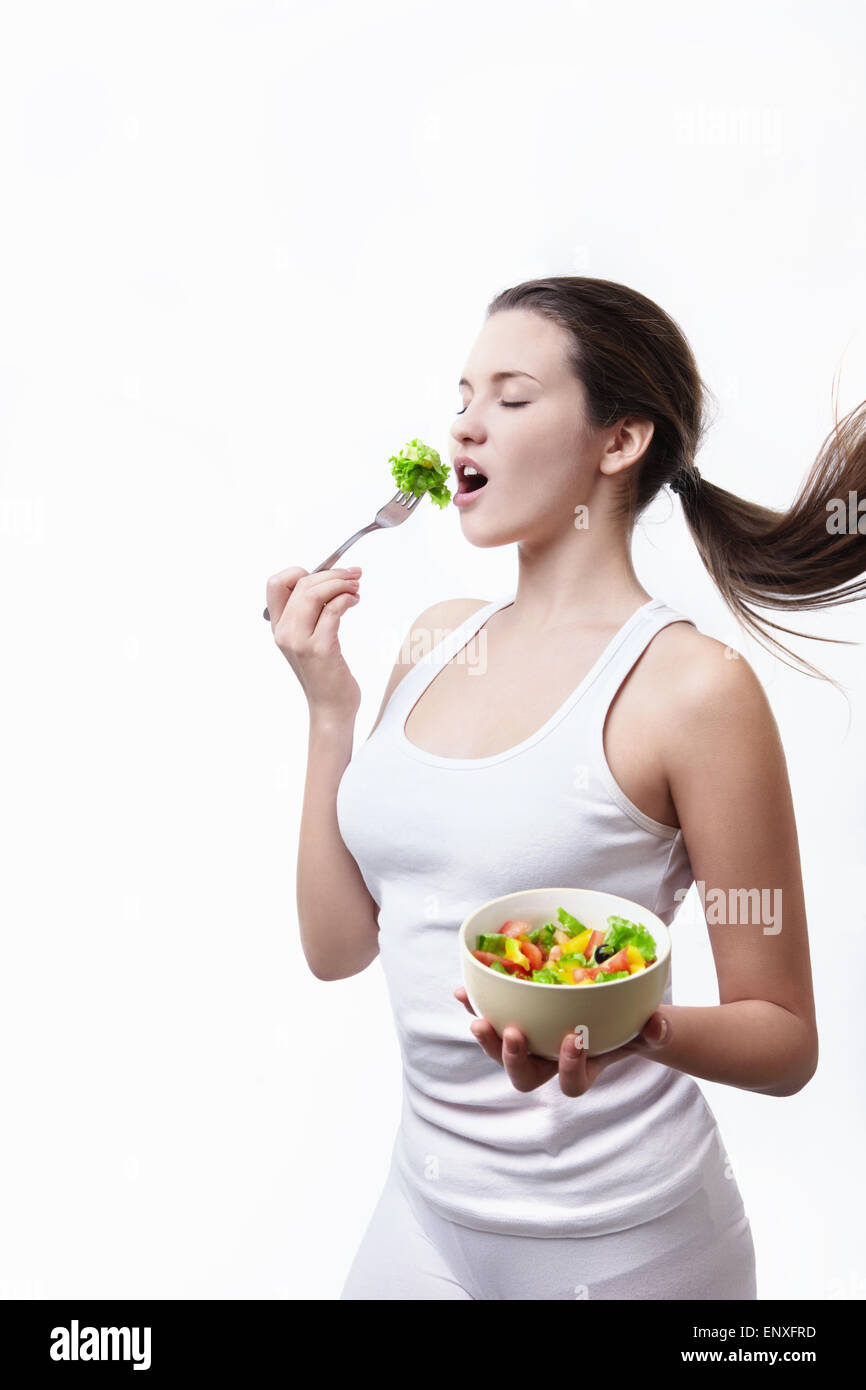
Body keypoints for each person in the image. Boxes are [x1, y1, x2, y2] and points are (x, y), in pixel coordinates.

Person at [265, 276, 864, 1300]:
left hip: (629, 1248)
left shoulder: (690, 689)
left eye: (509, 396)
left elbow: (782, 1034)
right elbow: (338, 947)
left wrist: (632, 1023)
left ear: (617, 442)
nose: (464, 426)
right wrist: (328, 708)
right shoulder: (431, 636)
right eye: (460, 397)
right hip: (424, 1210)